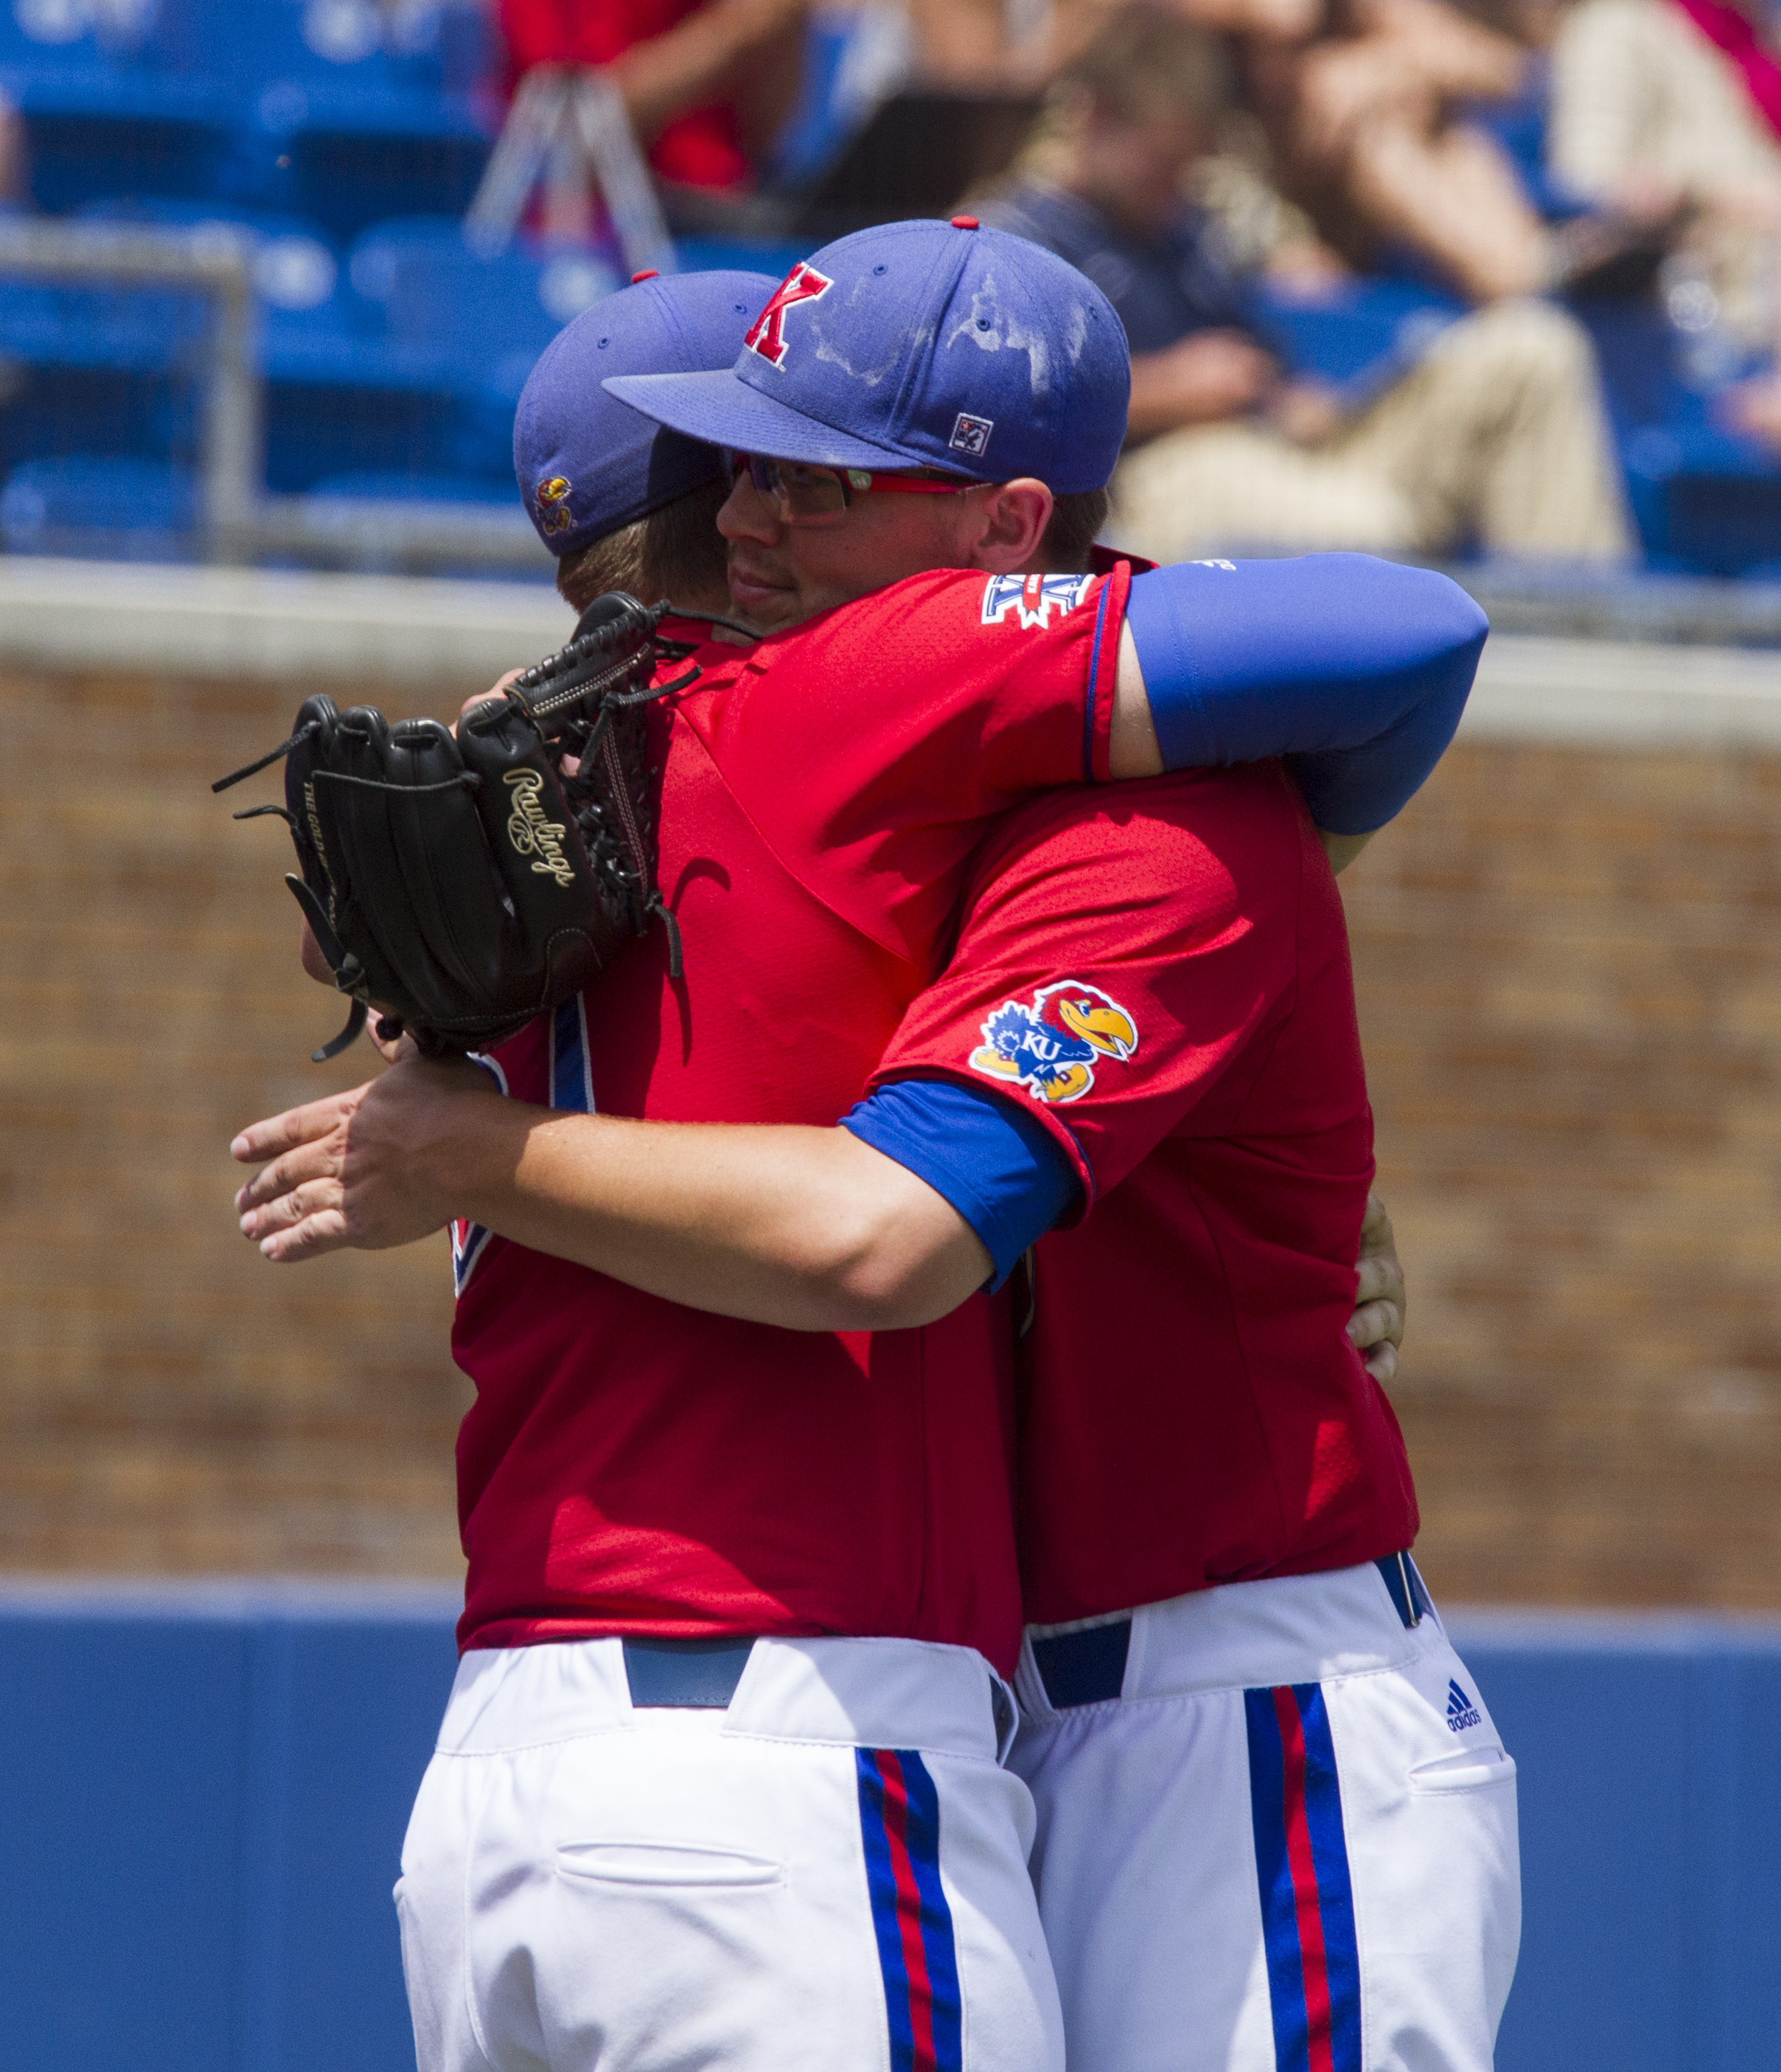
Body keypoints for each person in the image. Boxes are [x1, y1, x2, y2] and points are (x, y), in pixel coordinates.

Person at [232, 228, 1482, 2071]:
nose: (753, 513)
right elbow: (1407, 633)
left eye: (802, 474)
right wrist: (473, 1157)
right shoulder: (823, 712)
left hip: (1042, 1706)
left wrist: (1248, 1048)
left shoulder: (503, 820)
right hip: (828, 1741)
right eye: (731, 466)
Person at [977, 3, 1631, 565]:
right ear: (1095, 118)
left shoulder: (1187, 229)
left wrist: (1291, 394)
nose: (1174, 188)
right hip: (1166, 471)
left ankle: (1594, 644)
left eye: (1187, 167)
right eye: (1161, 166)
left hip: (1292, 452)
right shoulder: (1019, 235)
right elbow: (983, 414)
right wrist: (1160, 389)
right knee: (1366, 529)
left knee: (1531, 352)